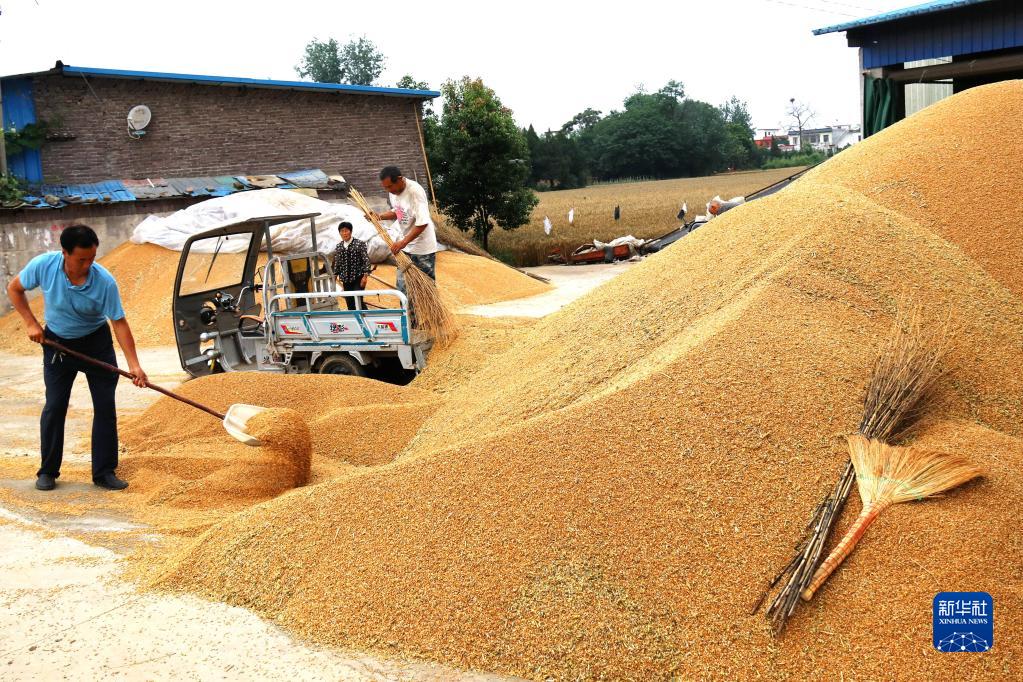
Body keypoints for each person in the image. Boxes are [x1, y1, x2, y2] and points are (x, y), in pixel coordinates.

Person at [6, 225, 148, 492]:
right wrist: (31, 323)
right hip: (58, 345)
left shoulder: (104, 281)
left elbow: (119, 323)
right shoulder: (44, 266)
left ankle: (104, 472)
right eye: (81, 259)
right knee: (55, 405)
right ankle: (48, 470)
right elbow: (14, 289)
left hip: (96, 343)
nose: (87, 264)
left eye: (92, 258)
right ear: (65, 253)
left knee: (105, 407)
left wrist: (134, 365)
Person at [369, 166, 438, 323]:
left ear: (400, 179)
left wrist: (402, 242)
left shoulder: (415, 192)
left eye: (390, 186)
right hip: (405, 248)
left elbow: (423, 223)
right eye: (386, 187)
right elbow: (398, 212)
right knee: (402, 287)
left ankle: (433, 320)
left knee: (426, 287)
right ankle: (411, 323)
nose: (389, 190)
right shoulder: (394, 192)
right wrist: (379, 216)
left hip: (423, 249)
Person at [331, 221, 371, 310]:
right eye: (342, 231)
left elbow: (366, 260)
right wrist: (334, 277)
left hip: (358, 278)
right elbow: (337, 263)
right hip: (345, 279)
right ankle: (354, 320)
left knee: (358, 299)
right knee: (349, 301)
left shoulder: (359, 244)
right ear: (339, 233)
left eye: (346, 230)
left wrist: (365, 277)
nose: (344, 233)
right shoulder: (339, 246)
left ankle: (367, 318)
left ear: (351, 231)